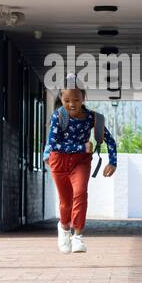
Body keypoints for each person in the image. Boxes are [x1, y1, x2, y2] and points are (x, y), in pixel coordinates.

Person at [45, 74, 117, 253]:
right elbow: (53, 144)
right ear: (61, 97)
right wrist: (80, 147)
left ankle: (77, 237)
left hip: (81, 163)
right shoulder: (58, 116)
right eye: (66, 99)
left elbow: (110, 140)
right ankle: (63, 228)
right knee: (65, 202)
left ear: (83, 97)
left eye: (76, 99)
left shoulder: (93, 118)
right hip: (59, 162)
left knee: (80, 193)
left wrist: (113, 162)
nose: (71, 104)